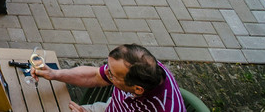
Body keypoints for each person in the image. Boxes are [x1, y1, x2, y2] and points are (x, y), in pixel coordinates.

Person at [34, 44, 187, 112]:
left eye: (112, 75)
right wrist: (55, 74)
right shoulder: (140, 67)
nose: (107, 74)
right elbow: (94, 75)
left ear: (138, 89)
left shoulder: (162, 108)